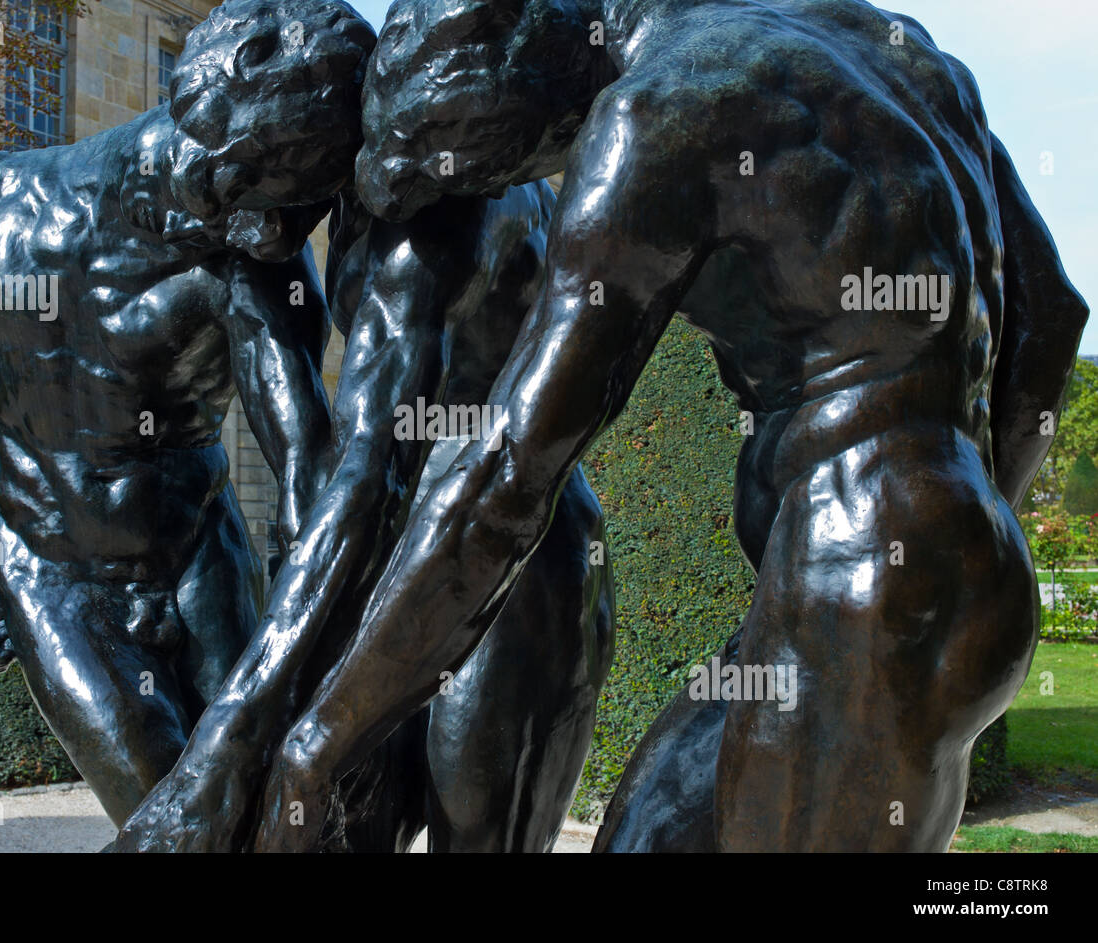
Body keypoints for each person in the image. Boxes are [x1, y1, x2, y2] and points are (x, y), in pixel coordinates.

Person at [245, 0, 1088, 852]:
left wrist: (321, 739)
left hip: (864, 595)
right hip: (881, 583)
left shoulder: (648, 115)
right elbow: (1053, 314)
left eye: (520, 160)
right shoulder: (885, 46)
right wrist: (967, 529)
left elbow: (504, 482)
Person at [112, 0, 614, 852]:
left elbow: (366, 478)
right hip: (402, 563)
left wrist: (218, 748)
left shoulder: (426, 218)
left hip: (501, 574)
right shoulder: (381, 183)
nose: (241, 210)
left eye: (249, 175)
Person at [0, 104, 334, 826]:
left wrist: (314, 668)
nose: (279, 235)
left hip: (195, 548)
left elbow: (308, 468)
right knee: (175, 821)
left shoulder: (253, 248)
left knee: (263, 805)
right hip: (51, 564)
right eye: (267, 210)